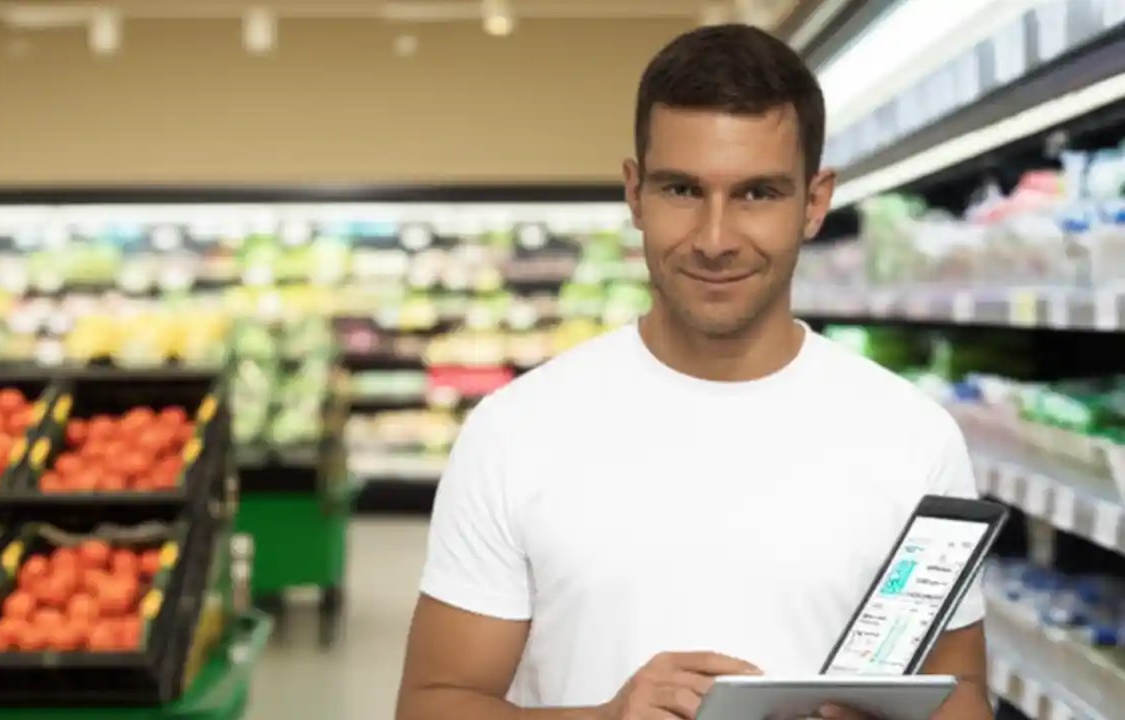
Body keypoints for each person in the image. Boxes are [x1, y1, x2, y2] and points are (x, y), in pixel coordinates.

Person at [394, 23, 991, 720]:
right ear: (634, 192)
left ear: (815, 202)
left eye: (757, 194)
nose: (714, 239)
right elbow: (432, 704)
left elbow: (963, 697)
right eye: (682, 190)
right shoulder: (513, 431)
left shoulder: (914, 437)